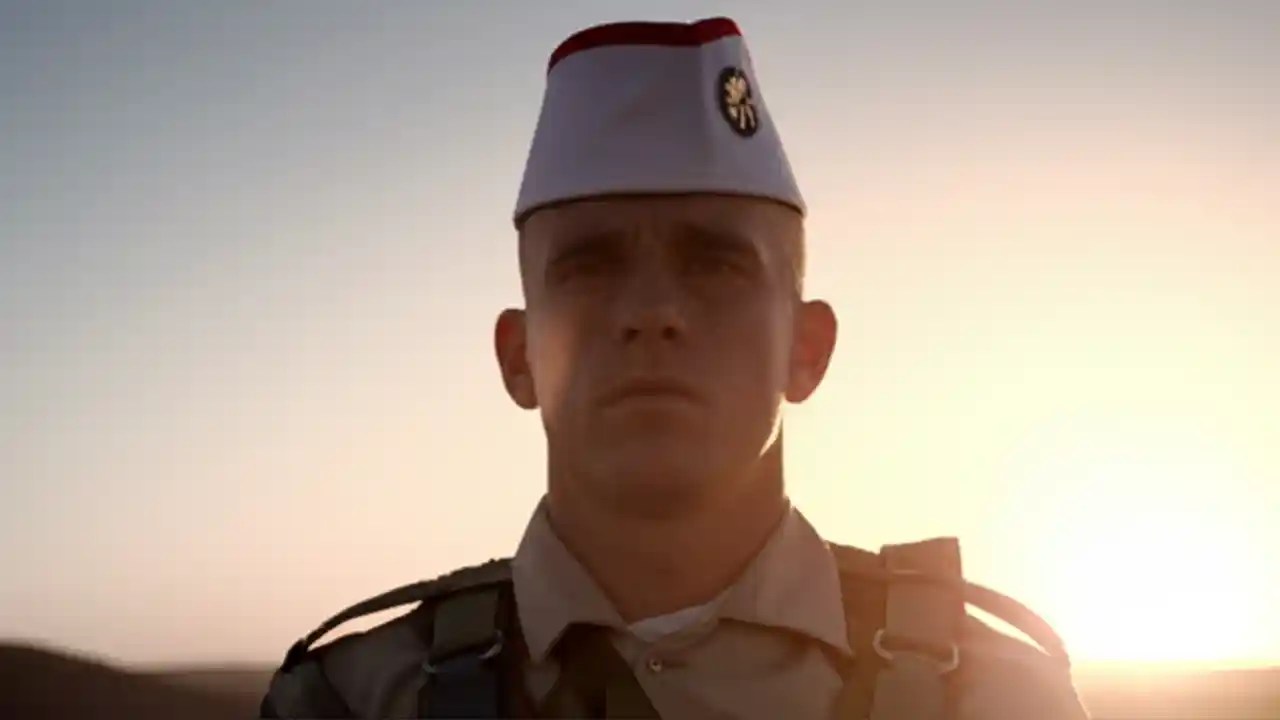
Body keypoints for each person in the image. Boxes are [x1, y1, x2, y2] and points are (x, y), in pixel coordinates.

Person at [260, 16, 1091, 719]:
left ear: (808, 348)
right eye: (588, 267)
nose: (650, 313)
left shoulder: (996, 696)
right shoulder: (353, 703)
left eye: (716, 265)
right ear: (519, 359)